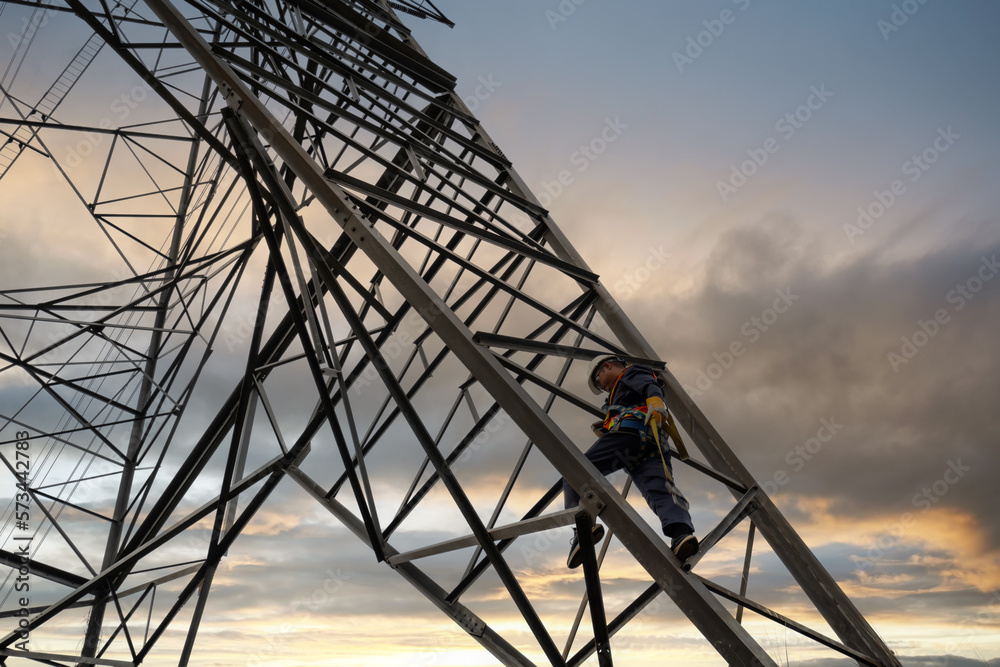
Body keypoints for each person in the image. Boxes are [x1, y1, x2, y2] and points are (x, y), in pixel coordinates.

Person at [564, 355, 699, 569]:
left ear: (607, 365)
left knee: (573, 472)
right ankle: (681, 534)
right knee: (660, 489)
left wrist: (656, 401)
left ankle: (581, 529)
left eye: (598, 380)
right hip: (648, 446)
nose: (601, 386)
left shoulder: (631, 373)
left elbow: (649, 385)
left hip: (630, 437)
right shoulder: (617, 394)